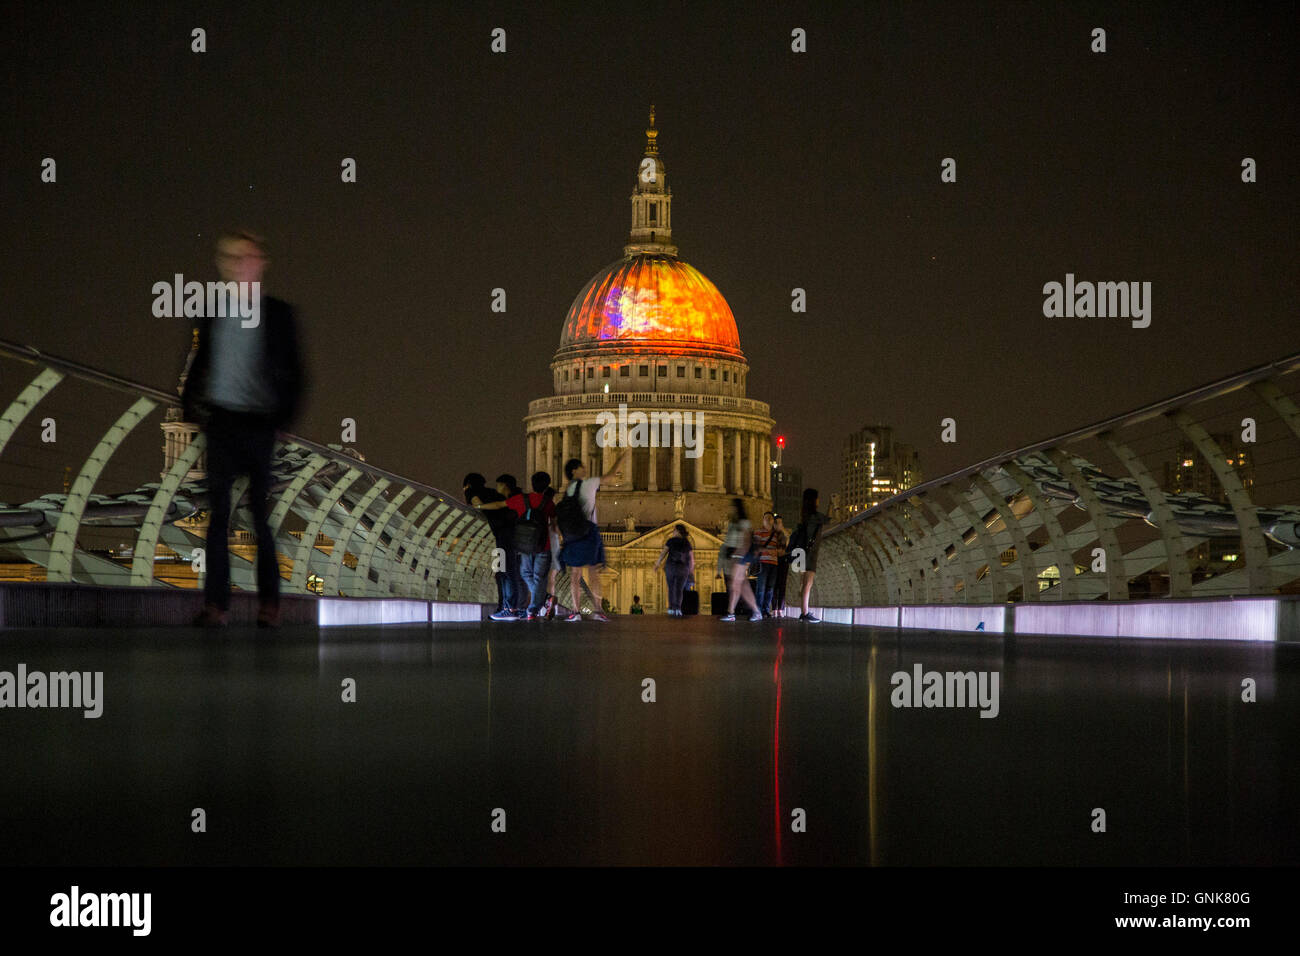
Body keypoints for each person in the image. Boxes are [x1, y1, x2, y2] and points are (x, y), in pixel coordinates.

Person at [184, 230, 305, 629]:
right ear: (224, 266)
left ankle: (269, 605)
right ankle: (216, 606)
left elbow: (298, 373)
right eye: (232, 258)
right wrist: (191, 406)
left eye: (247, 257)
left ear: (261, 263)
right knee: (218, 516)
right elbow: (200, 362)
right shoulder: (213, 311)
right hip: (221, 421)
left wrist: (283, 419)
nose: (240, 265)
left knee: (258, 514)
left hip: (259, 423)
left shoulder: (279, 313)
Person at [557, 449, 628, 622]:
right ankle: (598, 610)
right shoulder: (589, 484)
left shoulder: (569, 489)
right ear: (574, 471)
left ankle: (576, 612)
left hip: (573, 534)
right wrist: (620, 459)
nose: (585, 468)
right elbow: (610, 477)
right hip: (589, 531)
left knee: (575, 574)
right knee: (594, 572)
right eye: (581, 467)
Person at [464, 472, 522, 621]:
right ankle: (512, 607)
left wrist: (474, 502)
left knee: (505, 571)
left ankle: (509, 608)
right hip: (514, 533)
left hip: (503, 535)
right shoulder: (492, 492)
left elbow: (476, 504)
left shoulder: (472, 491)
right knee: (510, 571)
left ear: (467, 485)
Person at [506, 471, 556, 620]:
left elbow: (501, 504)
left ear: (532, 483)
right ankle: (533, 610)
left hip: (525, 544)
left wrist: (481, 505)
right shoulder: (548, 502)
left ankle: (545, 600)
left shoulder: (521, 499)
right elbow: (554, 524)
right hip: (544, 544)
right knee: (539, 577)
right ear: (547, 486)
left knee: (525, 573)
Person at [719, 498, 762, 623]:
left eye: (732, 507)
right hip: (735, 555)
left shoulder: (743, 522)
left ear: (737, 508)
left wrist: (739, 556)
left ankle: (731, 613)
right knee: (743, 586)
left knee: (735, 585)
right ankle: (756, 611)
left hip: (740, 556)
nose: (730, 509)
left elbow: (747, 540)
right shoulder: (735, 522)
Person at [789, 488, 828, 622]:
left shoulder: (805, 516)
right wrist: (835, 505)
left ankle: (804, 612)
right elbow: (832, 520)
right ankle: (805, 613)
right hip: (809, 554)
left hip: (800, 553)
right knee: (807, 584)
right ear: (814, 500)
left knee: (804, 583)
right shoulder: (815, 517)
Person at [653, 523, 695, 617]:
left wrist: (657, 563)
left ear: (678, 531)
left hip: (670, 567)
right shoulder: (687, 542)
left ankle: (671, 608)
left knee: (671, 588)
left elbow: (663, 553)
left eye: (674, 530)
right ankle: (678, 608)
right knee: (679, 589)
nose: (673, 532)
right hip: (682, 568)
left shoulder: (671, 541)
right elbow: (692, 559)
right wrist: (691, 572)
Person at [752, 511, 786, 618]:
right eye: (766, 518)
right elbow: (756, 548)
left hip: (774, 564)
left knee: (770, 588)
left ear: (773, 521)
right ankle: (757, 611)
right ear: (763, 520)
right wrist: (769, 550)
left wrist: (776, 551)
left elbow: (782, 550)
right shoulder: (758, 532)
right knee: (761, 588)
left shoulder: (777, 534)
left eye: (770, 518)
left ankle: (765, 610)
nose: (768, 520)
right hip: (763, 563)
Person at [771, 514, 791, 616]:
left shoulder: (785, 535)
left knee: (782, 585)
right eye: (777, 522)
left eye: (781, 522)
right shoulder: (771, 535)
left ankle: (781, 609)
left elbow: (787, 548)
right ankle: (774, 608)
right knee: (774, 585)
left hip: (783, 561)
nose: (779, 524)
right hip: (774, 562)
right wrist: (779, 551)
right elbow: (776, 550)